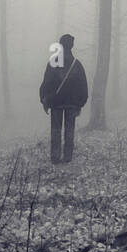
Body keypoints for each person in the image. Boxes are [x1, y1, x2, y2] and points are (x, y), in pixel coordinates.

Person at [39, 33, 88, 164]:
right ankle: (67, 157)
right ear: (71, 46)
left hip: (56, 103)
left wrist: (44, 99)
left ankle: (55, 157)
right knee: (69, 130)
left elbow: (46, 83)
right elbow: (83, 86)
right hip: (72, 104)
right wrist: (80, 103)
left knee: (56, 130)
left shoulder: (53, 63)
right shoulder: (76, 64)